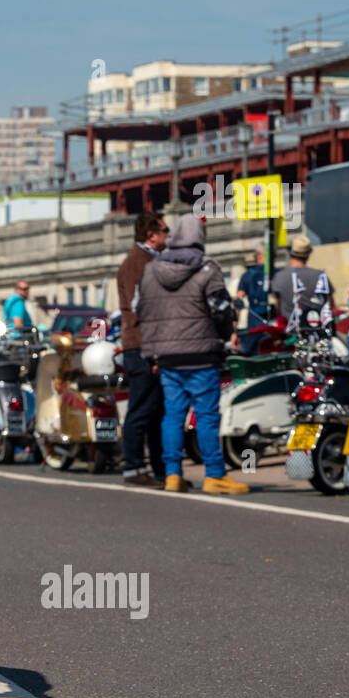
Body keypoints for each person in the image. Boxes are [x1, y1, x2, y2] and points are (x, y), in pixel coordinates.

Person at [136, 213, 249, 495]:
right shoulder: (208, 269)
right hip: (201, 353)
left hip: (167, 355)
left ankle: (173, 474)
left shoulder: (151, 270)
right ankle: (214, 475)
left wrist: (151, 353)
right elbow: (221, 311)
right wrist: (225, 335)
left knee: (173, 415)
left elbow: (143, 313)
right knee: (206, 415)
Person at [116, 211, 168, 488]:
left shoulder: (148, 260)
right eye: (164, 230)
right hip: (141, 345)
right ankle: (134, 467)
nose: (167, 236)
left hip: (144, 344)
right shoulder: (138, 263)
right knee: (141, 409)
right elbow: (141, 308)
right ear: (151, 234)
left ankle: (158, 468)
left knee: (155, 410)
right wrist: (154, 351)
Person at [269, 235, 334, 329]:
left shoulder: (279, 277)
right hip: (317, 332)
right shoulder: (320, 276)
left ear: (290, 254)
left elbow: (277, 306)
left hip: (290, 334)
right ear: (308, 255)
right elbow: (330, 304)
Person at [236, 246, 270, 328]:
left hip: (255, 320)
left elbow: (239, 299)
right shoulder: (274, 272)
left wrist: (234, 326)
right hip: (273, 320)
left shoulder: (247, 275)